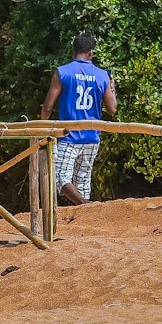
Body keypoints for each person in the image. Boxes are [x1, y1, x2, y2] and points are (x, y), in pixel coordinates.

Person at [40, 33, 115, 205]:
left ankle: (85, 205)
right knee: (82, 181)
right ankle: (86, 215)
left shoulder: (63, 72)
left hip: (69, 135)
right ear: (91, 53)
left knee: (60, 177)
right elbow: (112, 109)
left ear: (73, 50)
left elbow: (48, 107)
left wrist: (43, 129)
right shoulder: (103, 75)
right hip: (92, 137)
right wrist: (113, 88)